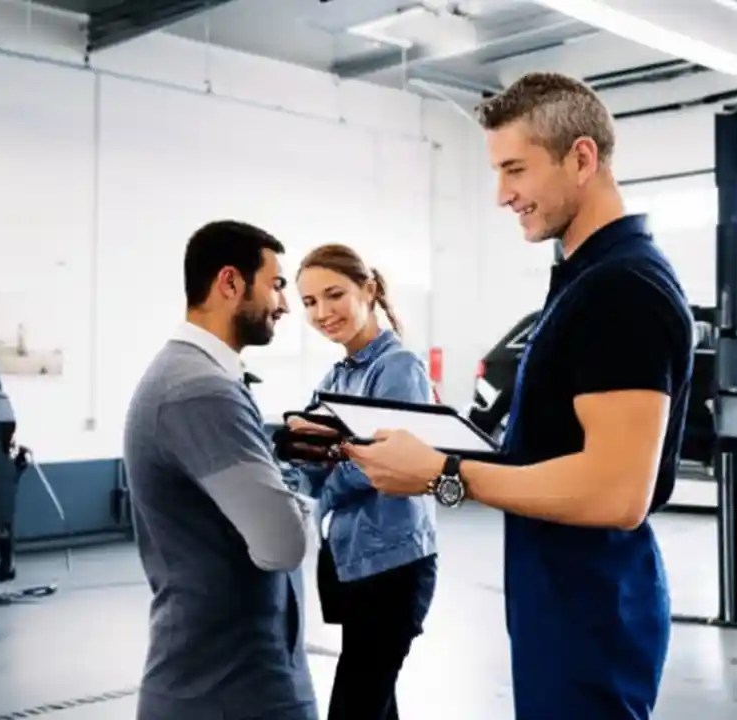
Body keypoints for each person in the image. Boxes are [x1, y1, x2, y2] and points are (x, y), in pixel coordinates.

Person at [343, 72, 695, 719]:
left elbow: (618, 492)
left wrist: (442, 476)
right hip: (561, 597)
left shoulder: (621, 288)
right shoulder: (586, 278)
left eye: (515, 170)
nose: (503, 195)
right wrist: (436, 462)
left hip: (592, 607)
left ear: (582, 158)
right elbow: (552, 452)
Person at [122, 220, 319, 720]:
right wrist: (295, 489)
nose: (285, 305)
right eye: (275, 285)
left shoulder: (192, 378)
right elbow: (282, 544)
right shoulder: (199, 390)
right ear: (230, 283)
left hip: (228, 675)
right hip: (231, 687)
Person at [281, 244, 438, 720]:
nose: (322, 313)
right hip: (351, 561)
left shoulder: (398, 367)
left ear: (368, 290)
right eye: (309, 303)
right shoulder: (335, 376)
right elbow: (311, 457)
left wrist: (323, 490)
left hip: (394, 563)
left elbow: (384, 465)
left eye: (334, 295)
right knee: (374, 701)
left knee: (355, 704)